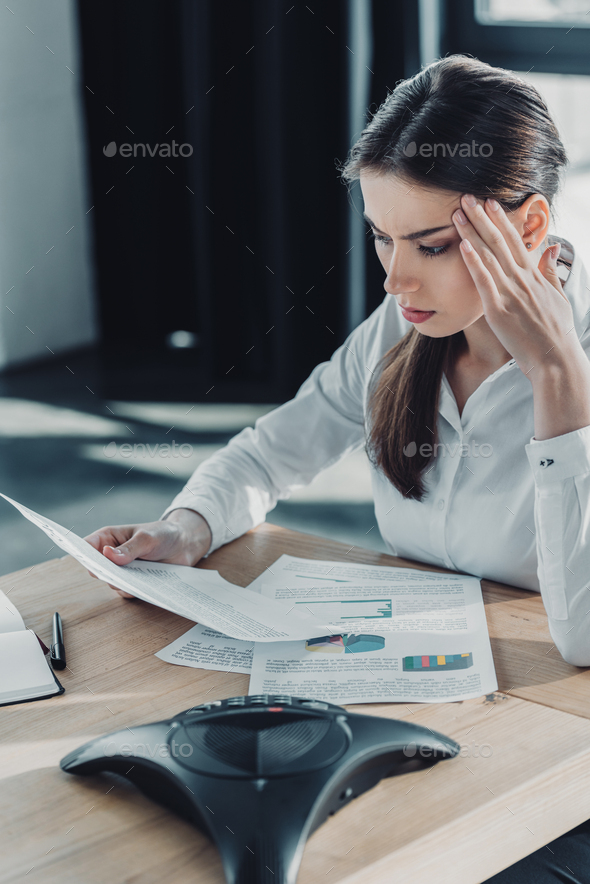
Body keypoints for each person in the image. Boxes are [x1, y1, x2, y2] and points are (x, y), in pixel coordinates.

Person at [84, 55, 590, 881]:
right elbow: (276, 446)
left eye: (428, 244)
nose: (393, 277)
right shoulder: (404, 327)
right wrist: (186, 526)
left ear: (527, 229)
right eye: (382, 238)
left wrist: (561, 381)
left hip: (556, 744)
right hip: (418, 703)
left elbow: (583, 640)